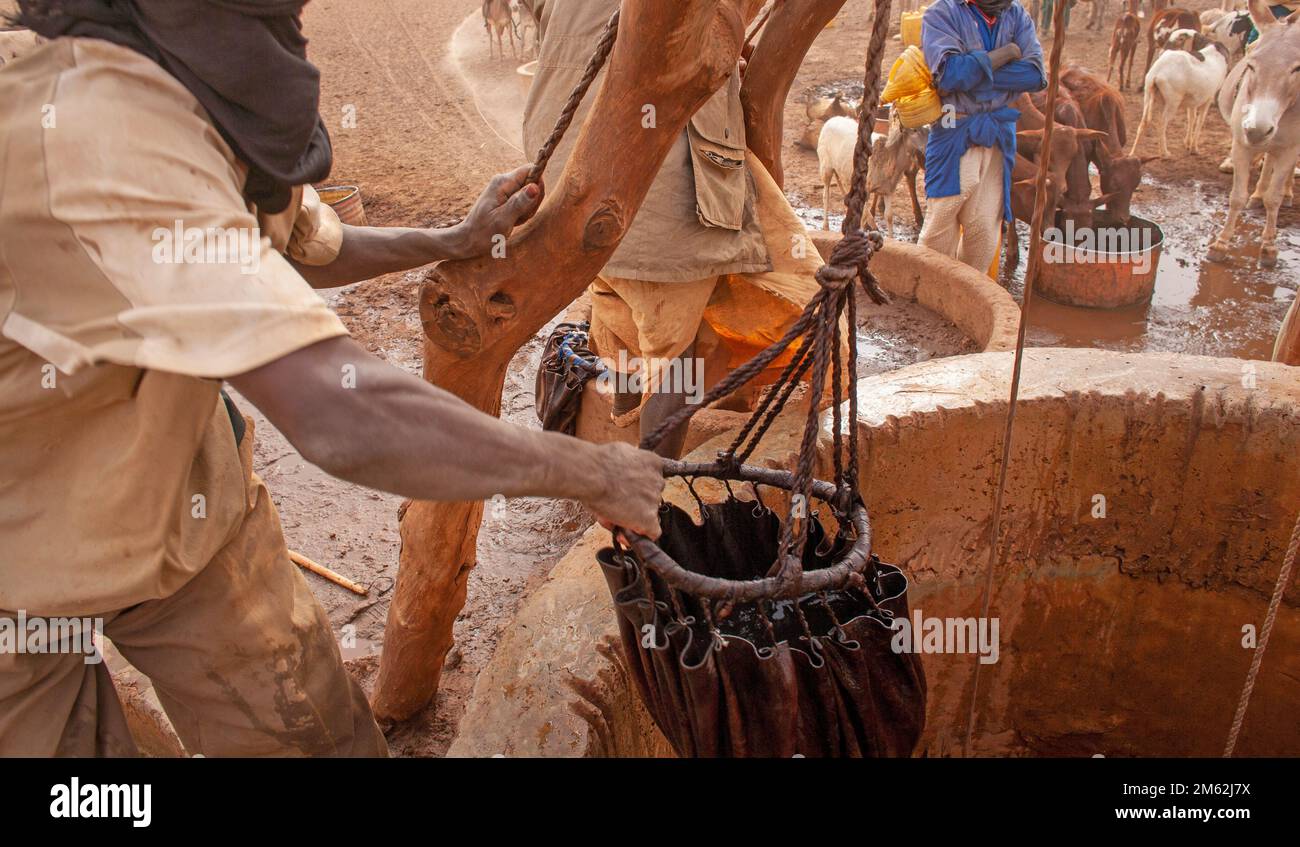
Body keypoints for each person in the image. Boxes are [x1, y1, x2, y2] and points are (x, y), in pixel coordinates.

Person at [0, 0, 664, 757]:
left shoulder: (205, 74)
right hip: (19, 573)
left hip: (185, 515)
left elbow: (304, 245)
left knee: (314, 736)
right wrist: (592, 471)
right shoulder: (100, 128)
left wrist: (451, 238)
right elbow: (337, 412)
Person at [521, 0, 834, 460]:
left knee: (622, 298)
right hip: (655, 172)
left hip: (564, 173)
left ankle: (625, 412)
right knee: (682, 357)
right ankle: (649, 493)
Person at [917, 0, 1046, 275]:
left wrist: (976, 69)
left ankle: (967, 300)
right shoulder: (943, 13)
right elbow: (949, 75)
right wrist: (1007, 53)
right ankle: (927, 292)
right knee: (942, 219)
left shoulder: (1016, 15)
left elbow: (1034, 75)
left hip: (997, 132)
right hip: (954, 125)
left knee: (984, 229)